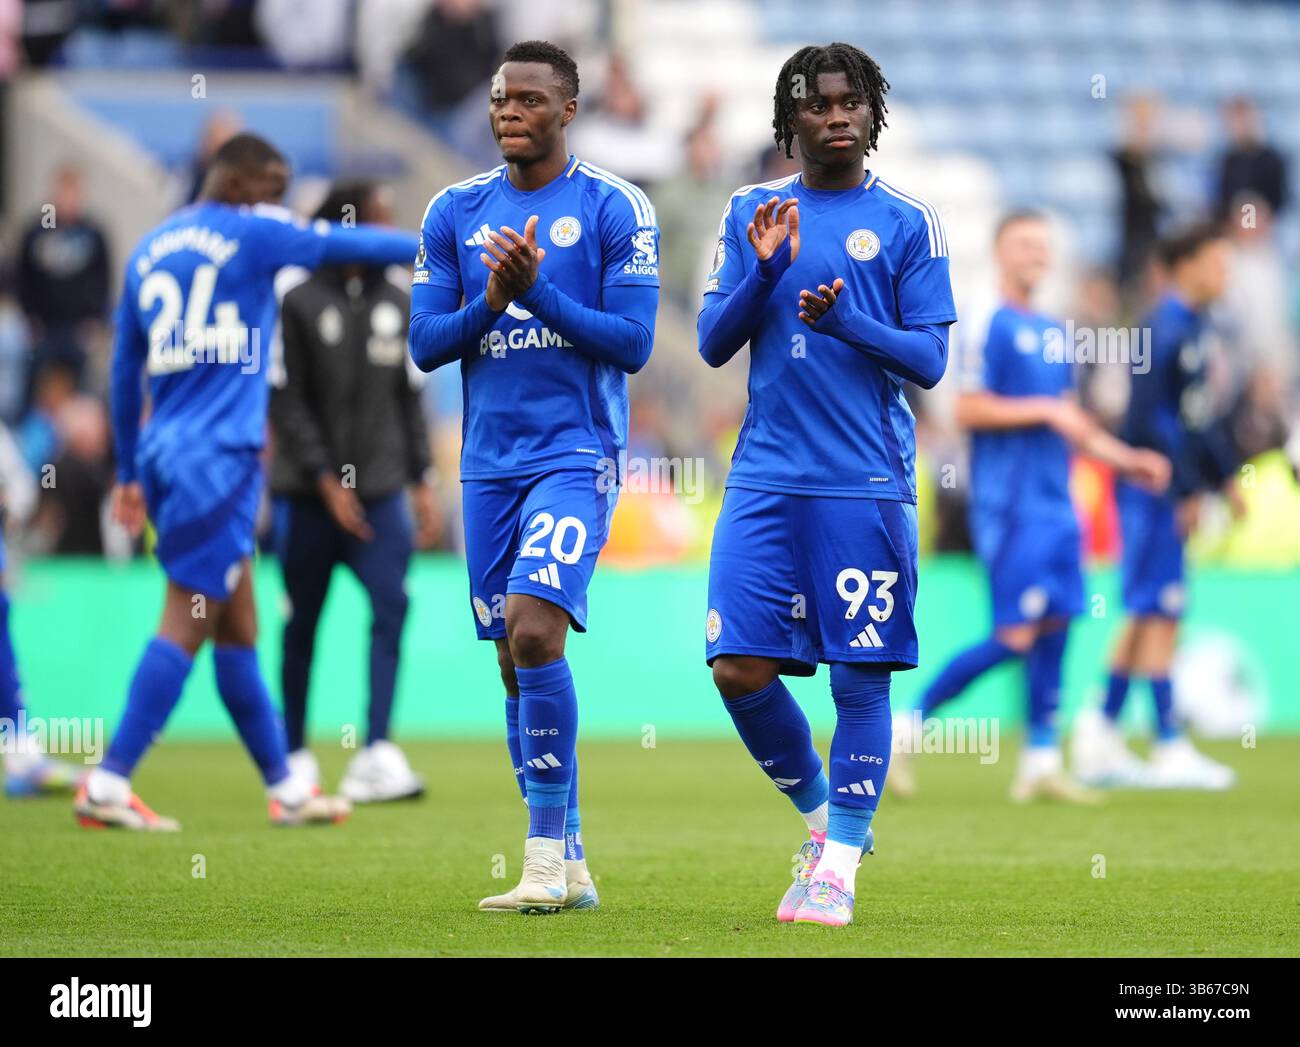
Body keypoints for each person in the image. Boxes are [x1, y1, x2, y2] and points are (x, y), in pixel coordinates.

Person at [79, 133, 418, 831]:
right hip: (221, 460)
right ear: (238, 185)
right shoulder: (254, 233)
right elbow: (354, 246)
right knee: (188, 614)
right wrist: (450, 240)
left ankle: (285, 787)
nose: (282, 205)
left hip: (169, 452)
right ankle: (110, 779)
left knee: (237, 624)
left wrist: (129, 468)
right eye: (273, 189)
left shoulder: (150, 248)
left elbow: (123, 371)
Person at [698, 42, 955, 928]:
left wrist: (849, 320)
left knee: (858, 679)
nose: (837, 115)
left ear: (872, 113)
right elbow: (710, 343)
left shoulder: (908, 221)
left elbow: (929, 359)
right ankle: (825, 820)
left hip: (865, 481)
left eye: (852, 102)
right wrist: (766, 271)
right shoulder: (750, 211)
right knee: (736, 665)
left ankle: (839, 865)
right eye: (818, 104)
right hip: (765, 477)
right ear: (790, 119)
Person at [408, 40, 659, 913]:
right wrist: (491, 300)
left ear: (568, 109)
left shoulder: (614, 206)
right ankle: (573, 856)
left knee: (534, 632)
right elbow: (426, 343)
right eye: (500, 99)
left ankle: (543, 860)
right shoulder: (453, 211)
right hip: (486, 467)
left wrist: (535, 292)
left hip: (575, 454)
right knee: (513, 666)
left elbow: (633, 343)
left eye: (529, 99)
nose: (509, 111)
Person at [890, 212, 1169, 803]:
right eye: (1023, 243)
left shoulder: (1053, 330)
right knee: (1014, 635)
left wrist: (1126, 460)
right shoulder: (987, 320)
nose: (1035, 253)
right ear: (998, 251)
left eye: (1043, 245)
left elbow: (1071, 419)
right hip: (1009, 505)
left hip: (1058, 503)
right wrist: (1042, 412)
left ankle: (1040, 761)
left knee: (1058, 623)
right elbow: (965, 410)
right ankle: (906, 726)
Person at [270, 180, 437, 804]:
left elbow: (410, 401)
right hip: (308, 498)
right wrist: (323, 479)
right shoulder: (297, 299)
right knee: (301, 624)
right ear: (348, 224)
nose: (389, 229)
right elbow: (286, 402)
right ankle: (292, 757)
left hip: (383, 491)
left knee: (392, 606)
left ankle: (376, 751)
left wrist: (422, 480)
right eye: (379, 218)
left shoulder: (400, 298)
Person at [1073, 225, 1243, 790]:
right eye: (1218, 260)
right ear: (1188, 263)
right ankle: (1166, 741)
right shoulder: (1162, 325)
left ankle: (1100, 730)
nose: (1227, 272)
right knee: (1160, 609)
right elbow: (1152, 421)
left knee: (1149, 608)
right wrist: (1189, 487)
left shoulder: (1192, 324)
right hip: (1152, 489)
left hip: (1167, 485)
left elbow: (1196, 415)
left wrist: (1222, 477)